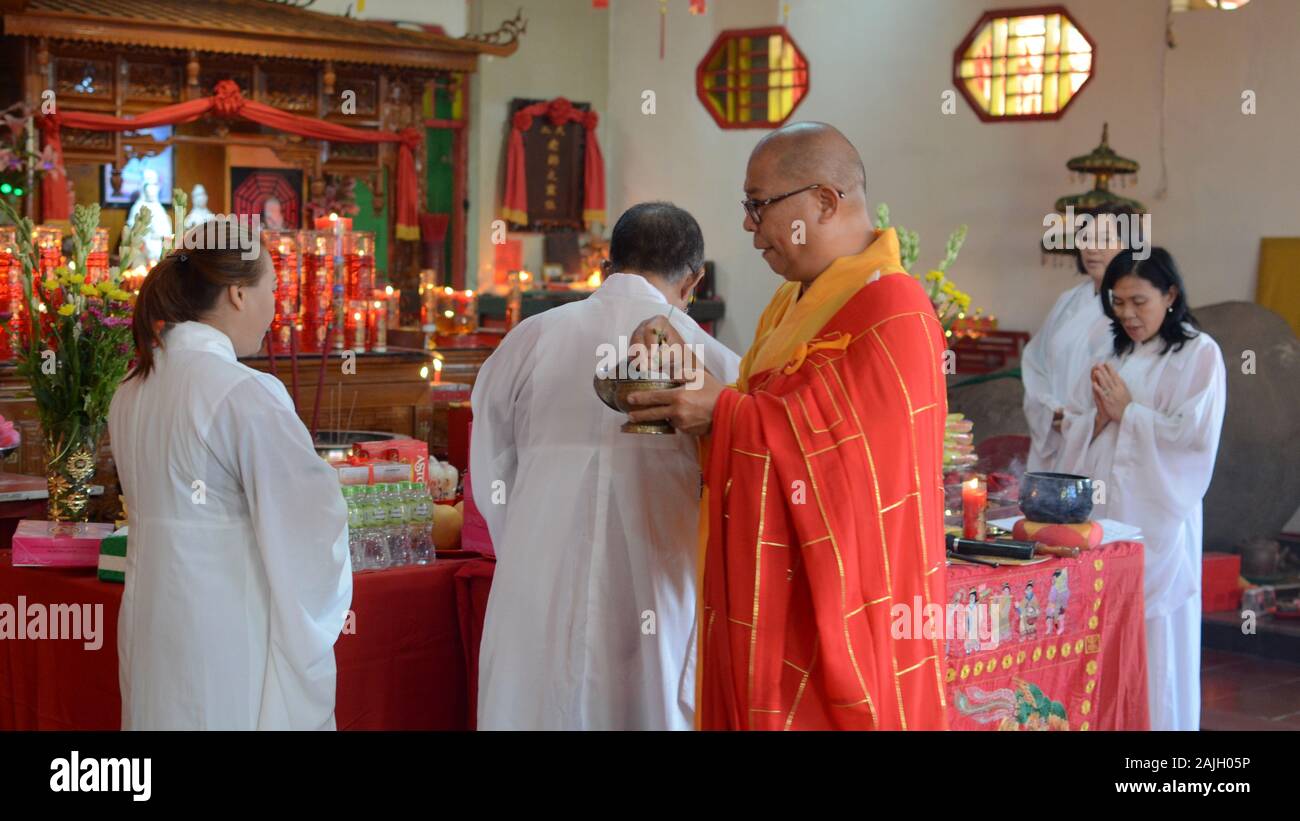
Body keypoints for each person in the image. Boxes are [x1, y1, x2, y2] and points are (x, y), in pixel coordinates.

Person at [626, 123, 949, 730]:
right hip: (769, 582)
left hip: (841, 599)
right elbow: (766, 412)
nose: (749, 226)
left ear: (824, 200)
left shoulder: (894, 310)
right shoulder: (790, 302)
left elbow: (860, 473)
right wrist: (686, 381)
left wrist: (723, 412)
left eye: (759, 205)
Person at [470, 202, 740, 730]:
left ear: (606, 266)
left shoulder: (531, 338)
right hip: (658, 589)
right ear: (695, 281)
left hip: (536, 577)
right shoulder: (717, 364)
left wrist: (527, 543)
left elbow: (490, 464)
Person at [108, 218, 352, 730]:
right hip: (229, 621)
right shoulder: (242, 391)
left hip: (155, 615)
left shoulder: (131, 387)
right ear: (238, 294)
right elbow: (307, 522)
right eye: (273, 289)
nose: (275, 308)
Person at [1057, 248, 1226, 731]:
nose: (1127, 314)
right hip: (1106, 513)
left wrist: (1128, 412)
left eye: (1139, 301)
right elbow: (1085, 425)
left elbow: (1194, 440)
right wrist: (1083, 419)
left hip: (1160, 515)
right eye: (1117, 302)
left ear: (1170, 295)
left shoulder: (1199, 354)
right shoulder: (1113, 351)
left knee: (1156, 641)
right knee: (1102, 634)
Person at [1022, 202, 1141, 472]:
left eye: (1105, 239)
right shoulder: (1068, 301)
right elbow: (1035, 361)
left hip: (1104, 437)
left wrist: (1087, 421)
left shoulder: (1135, 307)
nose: (1092, 248)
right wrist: (1050, 410)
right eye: (1086, 238)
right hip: (1056, 431)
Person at [125, 167, 173, 267]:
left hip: (160, 250)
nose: (152, 189)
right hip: (144, 251)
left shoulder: (159, 208)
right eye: (149, 185)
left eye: (155, 185)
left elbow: (167, 232)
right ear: (143, 188)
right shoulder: (138, 207)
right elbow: (132, 232)